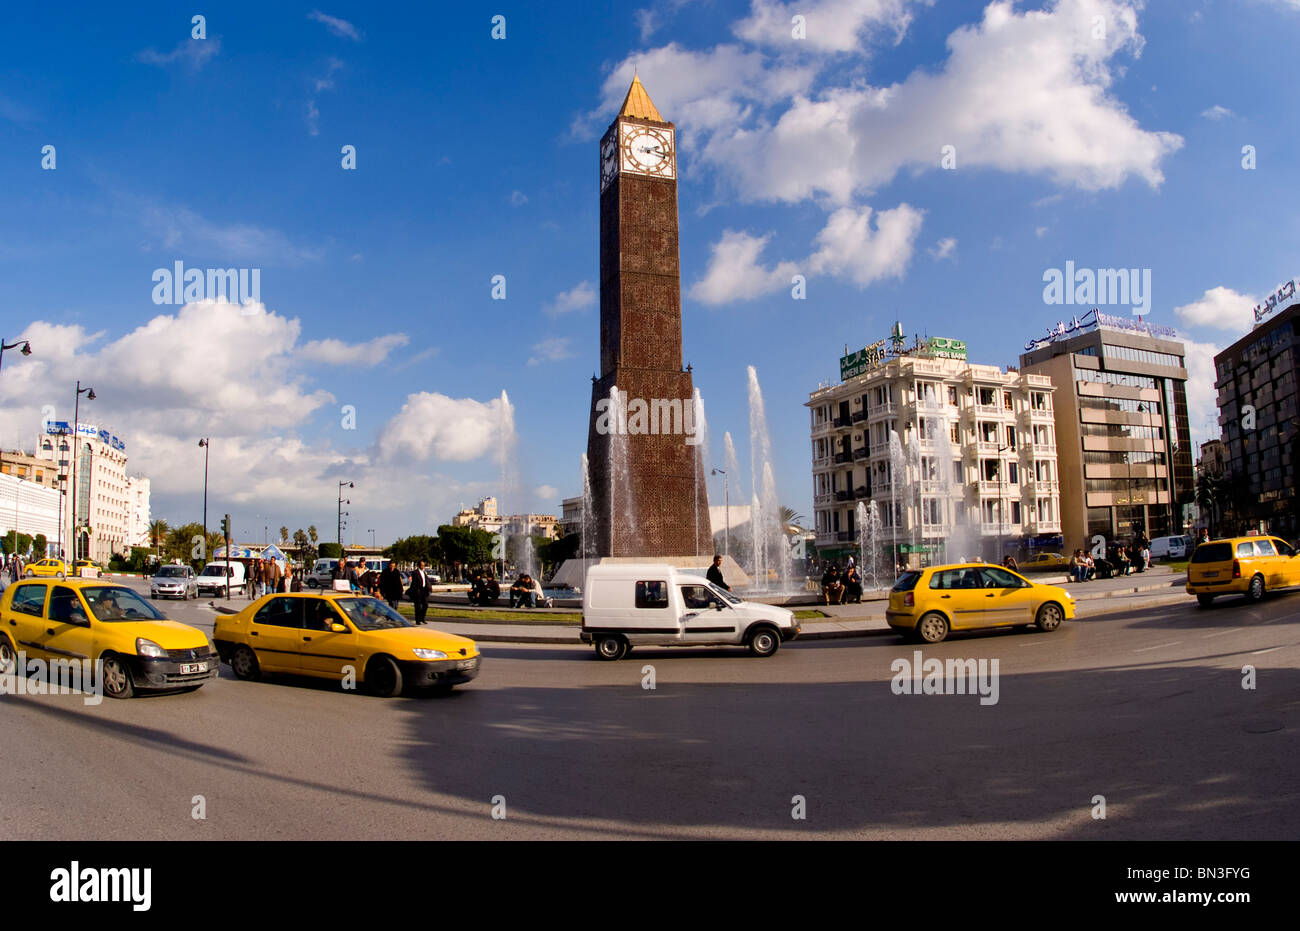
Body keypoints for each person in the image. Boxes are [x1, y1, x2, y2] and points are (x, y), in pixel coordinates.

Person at [409, 559, 430, 624]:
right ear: (419, 565)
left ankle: (422, 618)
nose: (422, 566)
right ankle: (418, 620)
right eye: (421, 565)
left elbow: (426, 581)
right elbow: (414, 583)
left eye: (423, 565)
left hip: (424, 591)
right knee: (417, 606)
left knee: (425, 605)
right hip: (418, 591)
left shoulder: (424, 572)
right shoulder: (415, 572)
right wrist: (416, 591)